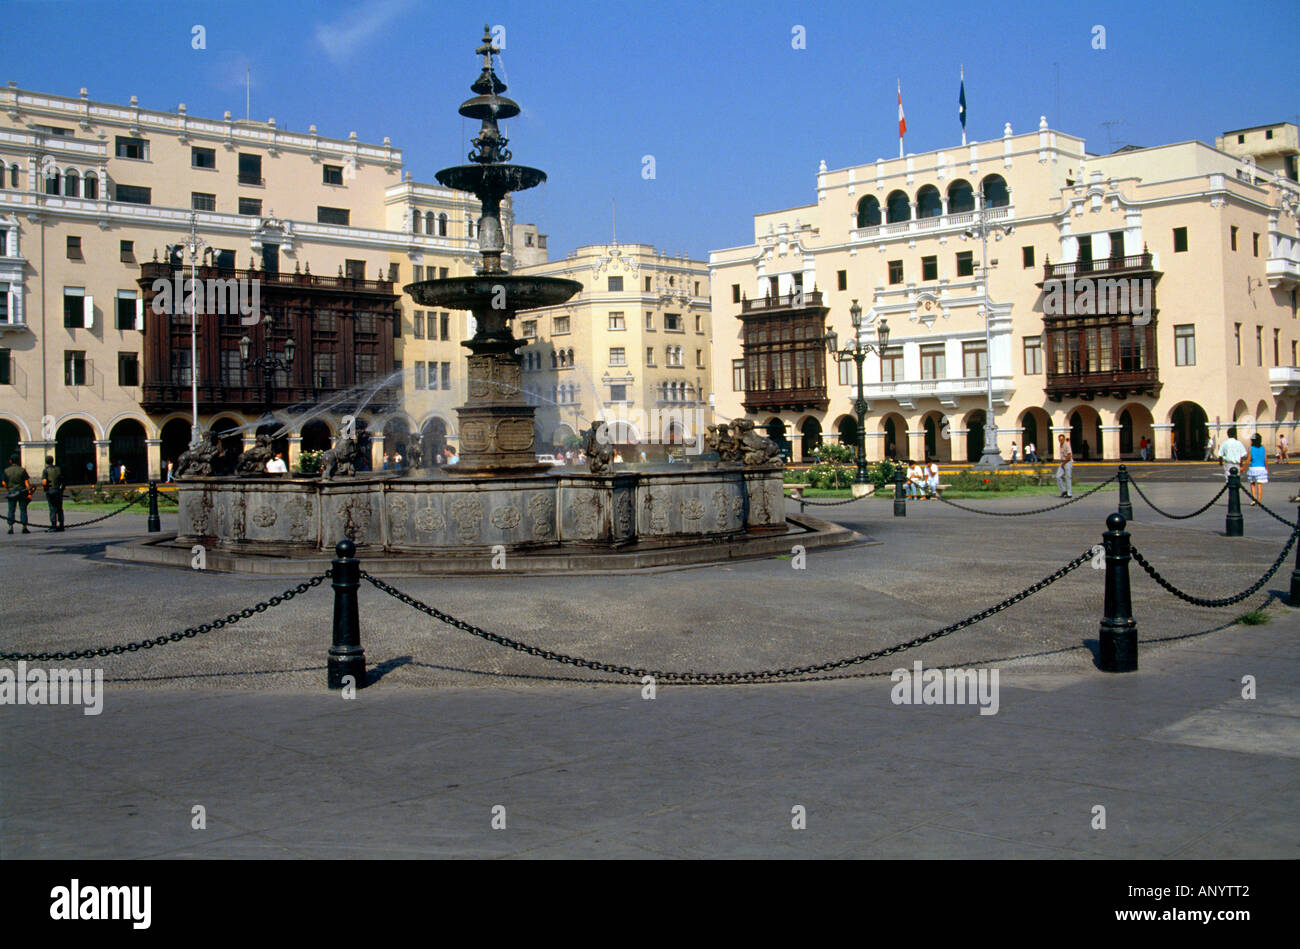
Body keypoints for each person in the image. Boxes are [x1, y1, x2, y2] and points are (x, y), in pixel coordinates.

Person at [3, 453, 32, 534]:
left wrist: (8, 489)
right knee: (23, 510)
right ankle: (24, 527)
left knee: (11, 510)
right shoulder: (22, 470)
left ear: (10, 461)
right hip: (22, 491)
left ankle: (10, 527)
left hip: (12, 491)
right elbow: (26, 482)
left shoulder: (6, 470)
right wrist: (29, 492)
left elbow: (3, 483)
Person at [41, 454, 65, 532]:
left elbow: (44, 482)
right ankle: (61, 524)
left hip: (50, 491)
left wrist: (45, 488)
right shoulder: (58, 469)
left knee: (52, 508)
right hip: (58, 490)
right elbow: (62, 480)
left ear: (46, 462)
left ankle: (53, 525)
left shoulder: (46, 470)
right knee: (59, 508)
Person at [1246, 433, 1268, 505]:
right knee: (1259, 485)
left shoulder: (1251, 448)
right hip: (1261, 468)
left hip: (1253, 468)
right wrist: (1266, 468)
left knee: (1252, 484)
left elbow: (1248, 459)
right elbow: (1265, 459)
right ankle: (1259, 500)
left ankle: (1254, 499)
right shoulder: (1263, 448)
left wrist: (1243, 468)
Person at [1055, 434, 1074, 498]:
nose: (1060, 441)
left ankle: (1069, 493)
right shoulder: (1061, 445)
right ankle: (1063, 491)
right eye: (1059, 440)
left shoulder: (1067, 445)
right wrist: (1062, 464)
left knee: (1068, 478)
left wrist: (1064, 464)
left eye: (1061, 439)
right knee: (1058, 476)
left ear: (1064, 439)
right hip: (1063, 461)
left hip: (1068, 462)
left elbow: (1069, 456)